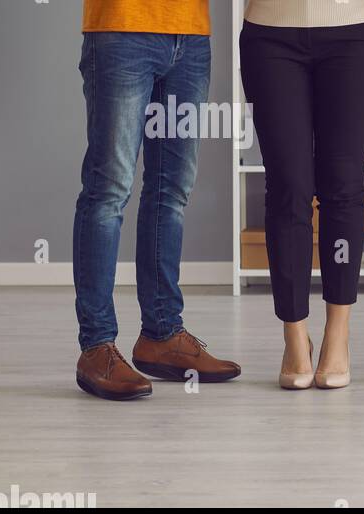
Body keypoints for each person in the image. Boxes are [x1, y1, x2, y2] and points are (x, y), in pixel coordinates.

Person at [74, 0, 240, 401]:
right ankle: (97, 347)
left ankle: (162, 335)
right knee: (109, 190)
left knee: (172, 191)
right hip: (122, 27)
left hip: (191, 34)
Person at [240, 0, 364, 390]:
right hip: (270, 33)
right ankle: (294, 335)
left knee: (342, 184)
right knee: (288, 185)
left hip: (355, 32)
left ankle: (337, 335)